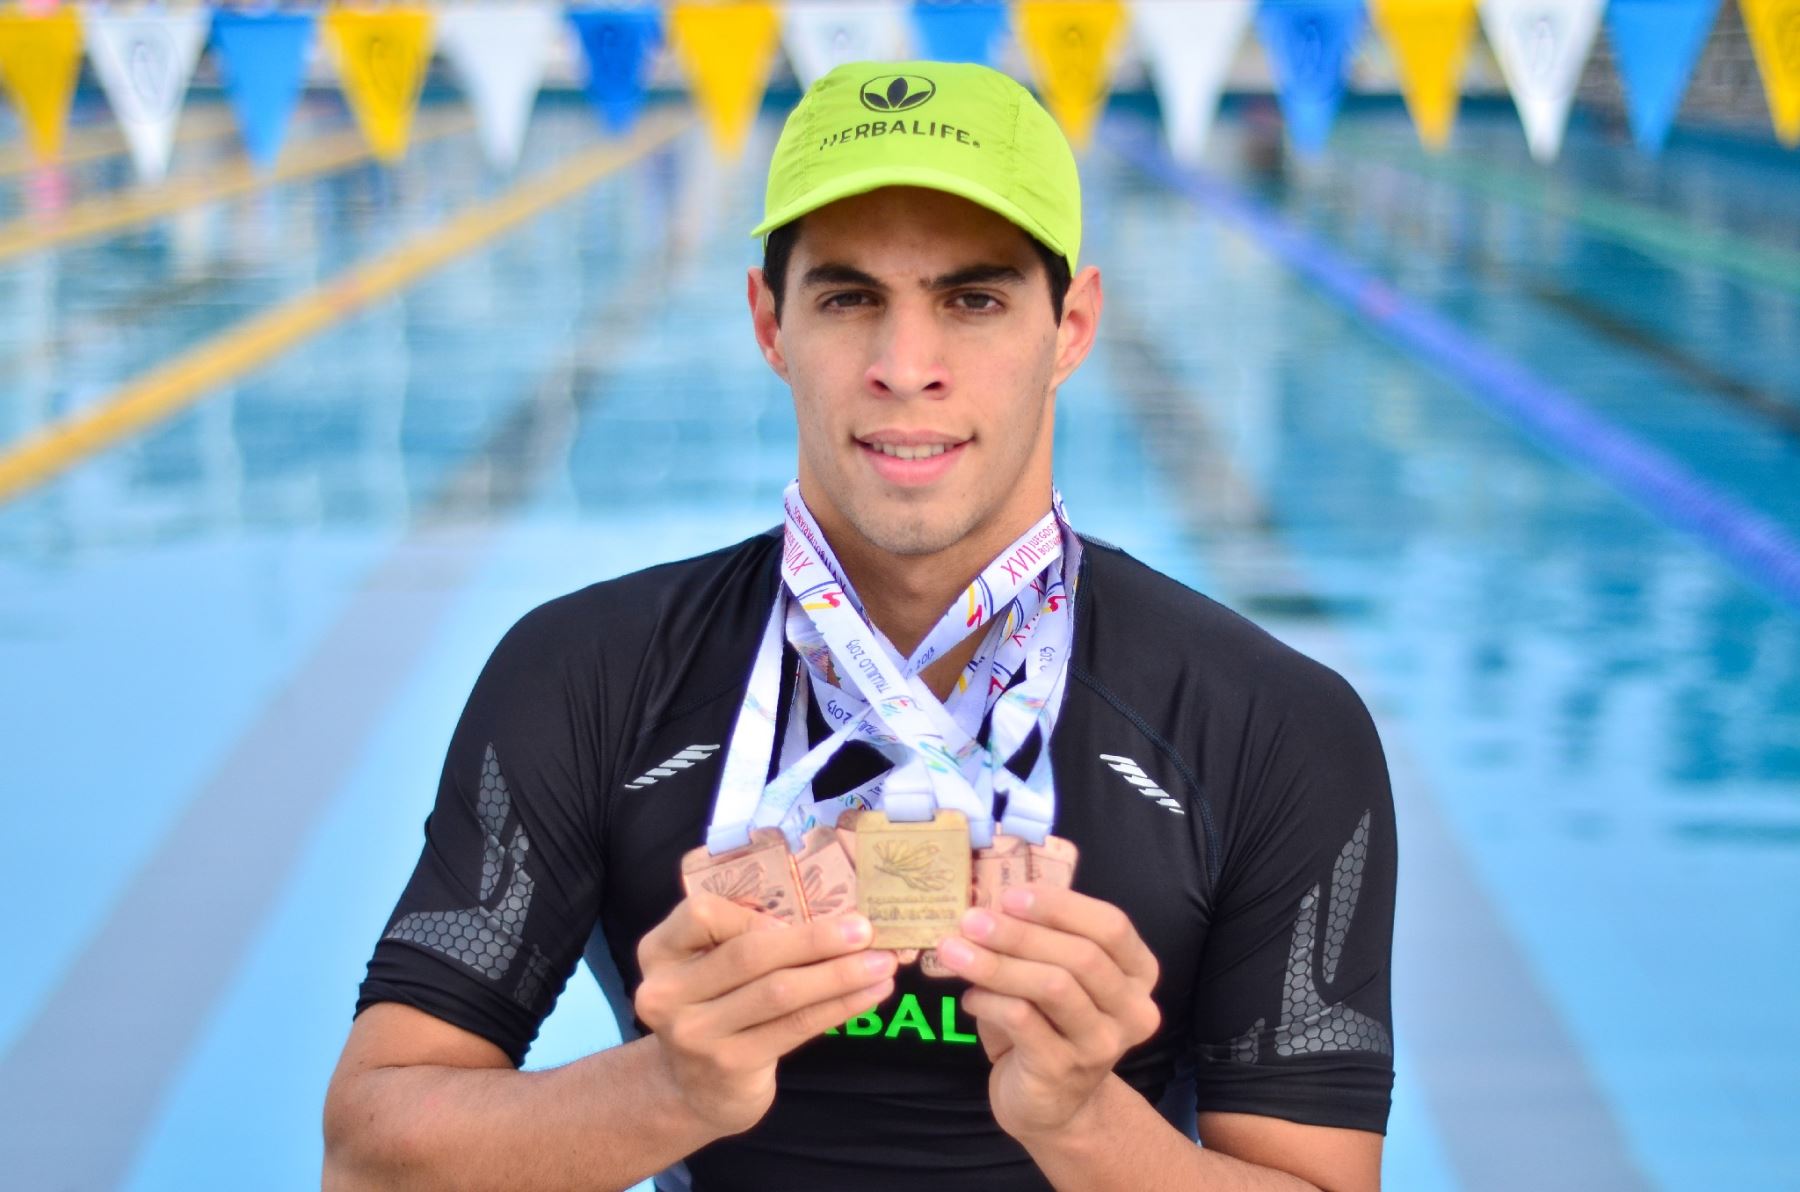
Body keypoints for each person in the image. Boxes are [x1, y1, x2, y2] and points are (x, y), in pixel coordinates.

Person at [323, 60, 1396, 1192]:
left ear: (1072, 326)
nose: (905, 369)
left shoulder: (1267, 724)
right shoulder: (592, 674)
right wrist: (668, 1093)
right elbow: (370, 1156)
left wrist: (1082, 1120)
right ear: (768, 323)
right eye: (848, 299)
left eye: (973, 300)